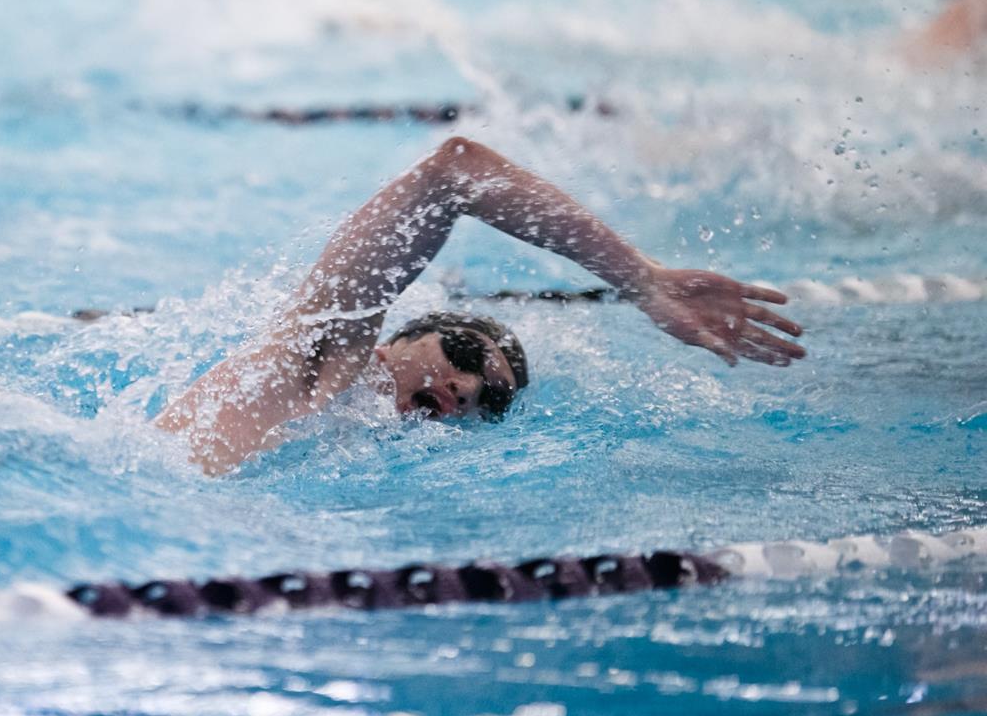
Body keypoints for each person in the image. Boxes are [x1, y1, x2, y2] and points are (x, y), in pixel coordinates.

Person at [156, 135, 806, 474]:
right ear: (393, 338)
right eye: (467, 356)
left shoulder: (363, 459)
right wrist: (640, 278)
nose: (467, 386)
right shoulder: (319, 358)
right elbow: (456, 170)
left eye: (488, 397)